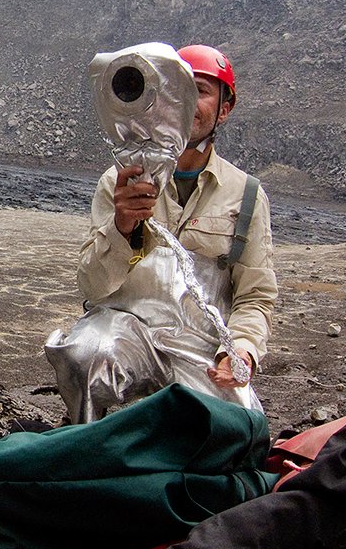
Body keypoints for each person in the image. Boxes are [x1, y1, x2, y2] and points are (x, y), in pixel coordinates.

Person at [46, 44, 278, 421]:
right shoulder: (117, 183)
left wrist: (242, 350)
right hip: (128, 330)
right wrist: (122, 224)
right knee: (83, 355)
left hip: (200, 347)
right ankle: (83, 444)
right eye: (179, 90)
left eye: (200, 91)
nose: (187, 103)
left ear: (225, 108)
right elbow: (91, 287)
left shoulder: (246, 195)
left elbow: (256, 295)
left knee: (239, 427)